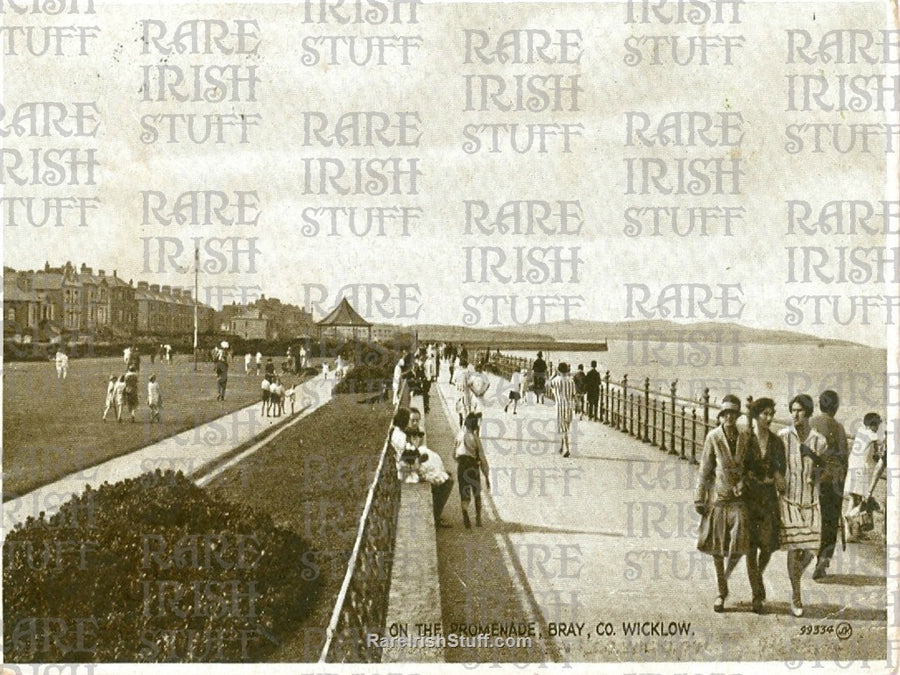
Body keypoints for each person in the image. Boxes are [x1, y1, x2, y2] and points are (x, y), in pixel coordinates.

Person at [694, 394, 756, 613]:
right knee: (717, 547)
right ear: (721, 416)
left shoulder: (745, 436)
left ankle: (747, 588)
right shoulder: (713, 437)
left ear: (737, 416)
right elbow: (704, 469)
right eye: (726, 413)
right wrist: (699, 497)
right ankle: (721, 591)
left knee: (743, 543)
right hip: (719, 498)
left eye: (733, 414)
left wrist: (744, 481)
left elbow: (750, 466)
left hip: (739, 498)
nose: (730, 417)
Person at [779, 393, 827, 617]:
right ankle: (796, 595)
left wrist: (817, 470)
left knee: (812, 548)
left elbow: (823, 473)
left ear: (807, 412)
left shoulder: (819, 441)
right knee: (795, 546)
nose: (794, 414)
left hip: (811, 501)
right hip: (788, 500)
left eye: (799, 410)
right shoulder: (782, 437)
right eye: (792, 410)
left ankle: (794, 577)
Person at [745, 397, 786, 614]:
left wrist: (776, 477)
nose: (769, 418)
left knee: (768, 545)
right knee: (751, 547)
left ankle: (757, 576)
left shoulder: (777, 442)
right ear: (756, 415)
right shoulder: (746, 439)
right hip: (750, 499)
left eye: (772, 414)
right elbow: (740, 467)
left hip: (768, 499)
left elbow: (782, 468)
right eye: (765, 414)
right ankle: (757, 595)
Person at [809, 390, 848, 580]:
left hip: (813, 478)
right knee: (830, 521)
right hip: (833, 481)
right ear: (836, 407)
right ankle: (823, 560)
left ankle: (804, 555)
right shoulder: (838, 428)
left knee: (811, 518)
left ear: (819, 404)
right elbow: (844, 458)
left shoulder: (811, 423)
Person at [844, 412, 883, 540]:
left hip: (852, 466)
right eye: (877, 425)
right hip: (861, 469)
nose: (878, 428)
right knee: (860, 500)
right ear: (872, 425)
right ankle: (850, 516)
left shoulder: (861, 431)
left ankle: (850, 532)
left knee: (853, 499)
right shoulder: (873, 435)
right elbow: (878, 452)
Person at [454, 413, 490, 529]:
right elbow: (482, 458)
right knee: (477, 493)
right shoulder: (475, 438)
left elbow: (453, 454)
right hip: (472, 467)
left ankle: (465, 514)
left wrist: (460, 461)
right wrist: (487, 475)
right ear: (475, 426)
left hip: (462, 466)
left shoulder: (459, 436)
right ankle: (478, 518)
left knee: (464, 494)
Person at [549, 362, 577, 457]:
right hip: (569, 407)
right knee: (566, 428)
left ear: (558, 370)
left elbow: (547, 384)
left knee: (563, 429)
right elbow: (574, 395)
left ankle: (567, 449)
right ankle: (561, 446)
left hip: (560, 407)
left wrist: (553, 375)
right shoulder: (571, 381)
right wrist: (579, 406)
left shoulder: (555, 381)